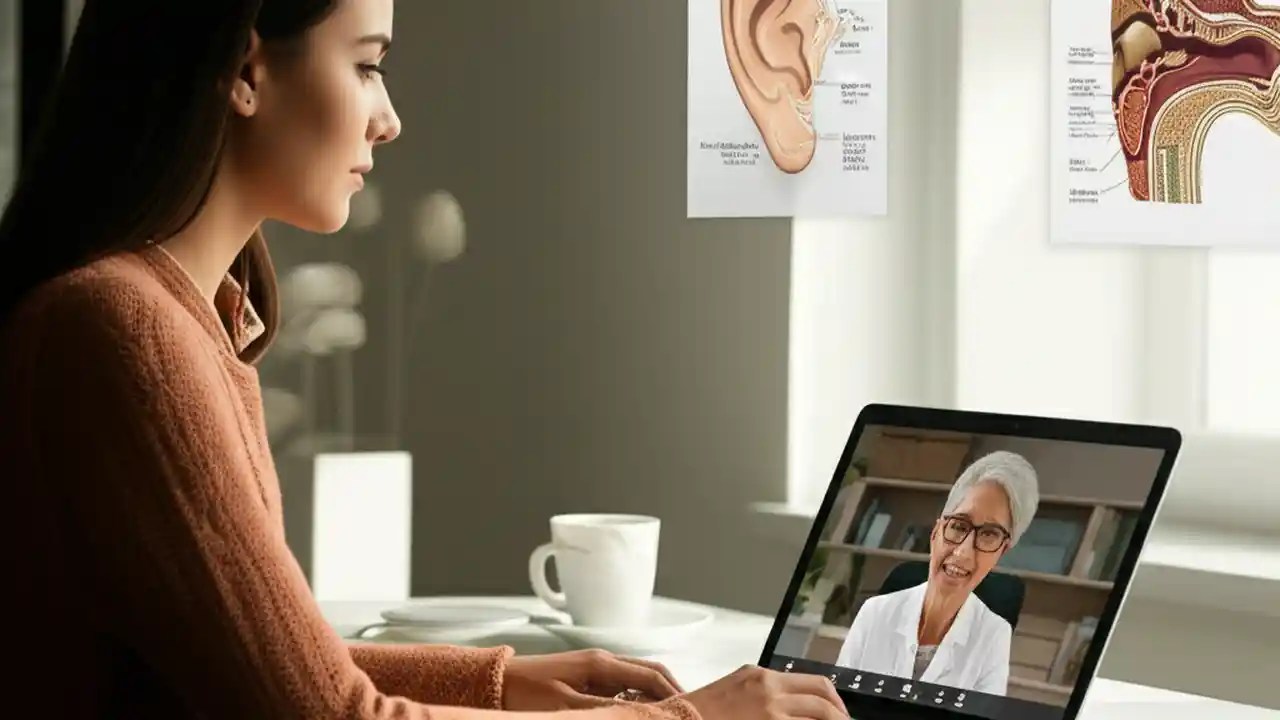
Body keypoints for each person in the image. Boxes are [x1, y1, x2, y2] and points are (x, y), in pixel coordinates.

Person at [0, 2, 854, 719]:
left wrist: (503, 682)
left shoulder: (187, 318)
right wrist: (687, 718)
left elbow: (268, 660)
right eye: (367, 66)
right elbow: (331, 716)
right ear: (246, 71)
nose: (389, 118)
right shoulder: (129, 331)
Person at [834, 451, 1040, 696]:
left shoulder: (994, 635)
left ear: (1001, 552)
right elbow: (836, 702)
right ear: (936, 532)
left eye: (989, 534)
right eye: (959, 526)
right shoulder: (875, 612)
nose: (963, 552)